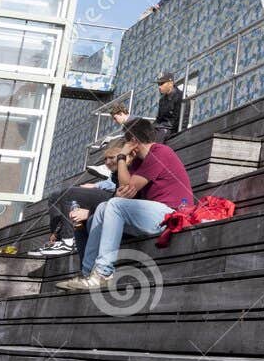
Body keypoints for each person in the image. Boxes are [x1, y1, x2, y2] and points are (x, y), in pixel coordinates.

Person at [57, 118, 193, 293]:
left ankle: (104, 273)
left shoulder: (160, 152)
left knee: (113, 205)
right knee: (102, 208)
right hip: (151, 214)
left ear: (133, 141)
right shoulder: (137, 162)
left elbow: (127, 189)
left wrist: (121, 157)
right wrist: (125, 173)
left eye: (126, 140)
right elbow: (125, 190)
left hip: (172, 213)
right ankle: (88, 273)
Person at [31, 137, 126, 259]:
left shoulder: (126, 169)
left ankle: (68, 240)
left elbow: (119, 192)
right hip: (108, 194)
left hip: (111, 197)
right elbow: (111, 182)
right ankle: (57, 239)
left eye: (111, 158)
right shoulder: (114, 173)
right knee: (54, 196)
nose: (107, 162)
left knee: (69, 193)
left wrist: (91, 210)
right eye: (105, 159)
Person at [154, 73, 183, 138]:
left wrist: (160, 126)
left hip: (172, 130)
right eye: (158, 84)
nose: (159, 87)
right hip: (162, 128)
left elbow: (178, 121)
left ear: (170, 83)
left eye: (162, 84)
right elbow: (159, 119)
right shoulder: (162, 100)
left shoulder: (181, 96)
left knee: (159, 134)